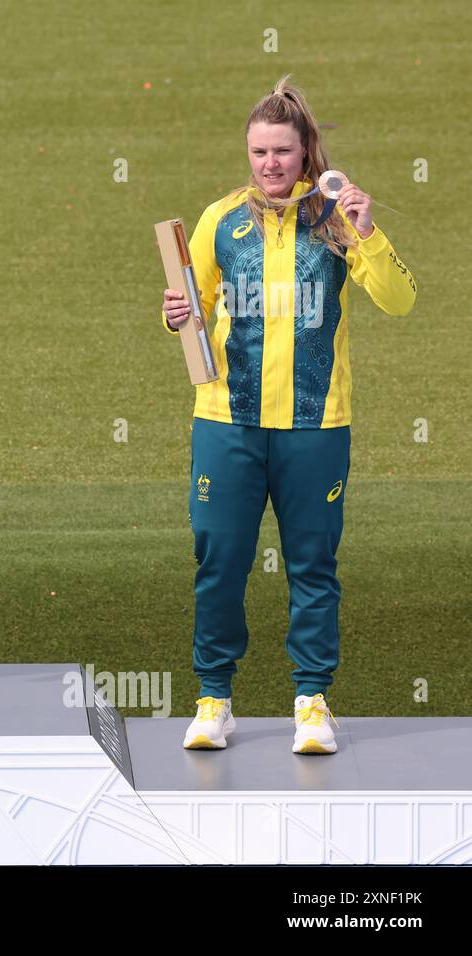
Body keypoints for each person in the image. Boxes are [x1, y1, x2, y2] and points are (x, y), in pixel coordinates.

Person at [161, 78, 416, 754]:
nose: (269, 164)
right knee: (219, 561)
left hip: (316, 425)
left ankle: (312, 701)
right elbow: (191, 304)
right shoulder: (221, 218)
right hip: (226, 422)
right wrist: (176, 317)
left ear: (307, 153)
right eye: (258, 151)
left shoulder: (336, 221)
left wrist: (368, 233)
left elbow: (399, 300)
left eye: (282, 151)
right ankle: (214, 699)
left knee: (312, 564)